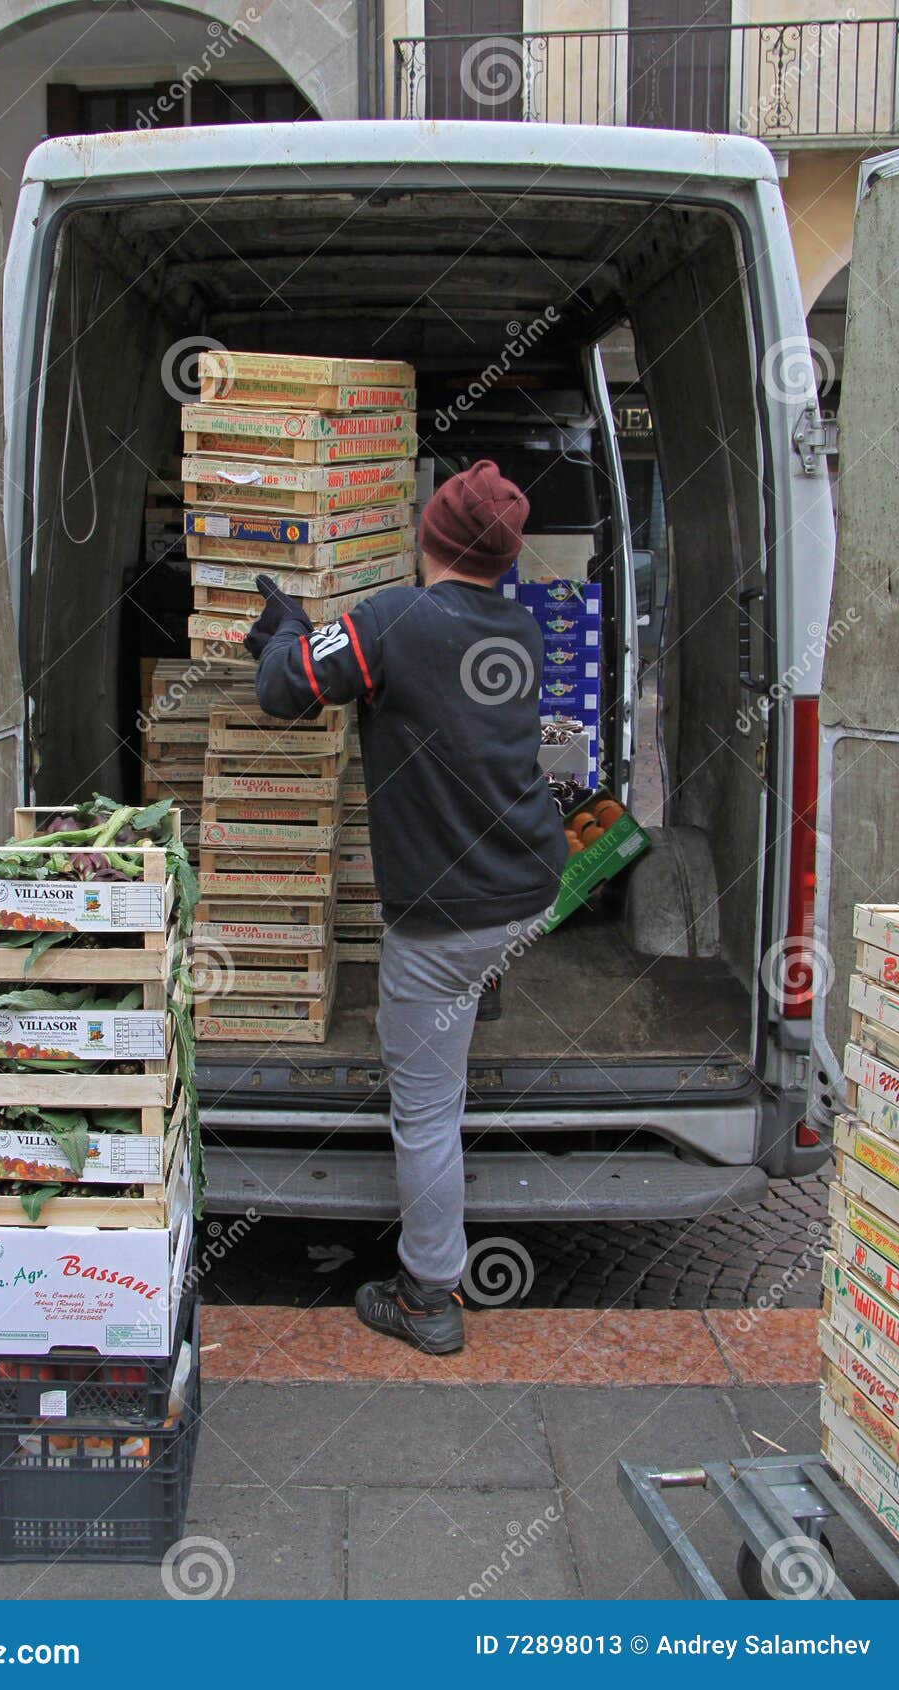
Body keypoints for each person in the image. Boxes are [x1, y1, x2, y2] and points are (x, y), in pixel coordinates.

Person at [246, 460, 567, 1354]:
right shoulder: (518, 627)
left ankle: (428, 1294)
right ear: (503, 559)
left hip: (445, 919)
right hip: (532, 884)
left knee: (427, 1110)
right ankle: (476, 987)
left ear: (425, 533)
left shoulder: (391, 620)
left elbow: (285, 689)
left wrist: (287, 630)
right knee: (467, 976)